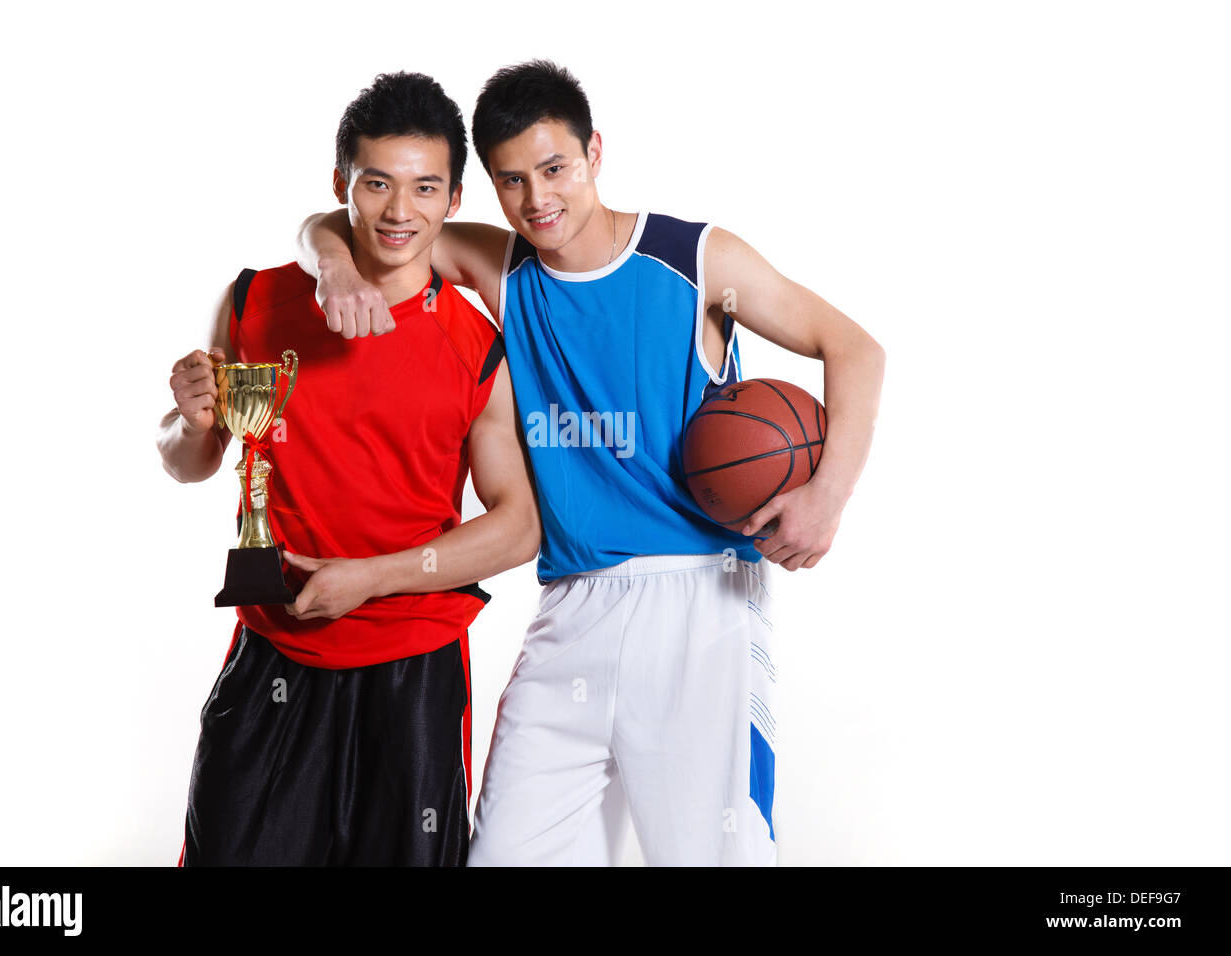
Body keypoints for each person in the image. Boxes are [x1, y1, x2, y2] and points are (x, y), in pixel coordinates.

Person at [295, 60, 885, 866]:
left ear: (593, 152)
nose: (538, 199)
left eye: (554, 169)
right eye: (512, 181)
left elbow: (853, 346)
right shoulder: (504, 268)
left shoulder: (695, 259)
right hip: (570, 604)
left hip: (699, 597)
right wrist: (331, 266)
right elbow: (350, 227)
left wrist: (827, 496)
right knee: (501, 854)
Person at [156, 71, 540, 866]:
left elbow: (518, 525)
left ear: (453, 198)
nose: (401, 212)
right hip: (275, 645)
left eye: (424, 187)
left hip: (412, 664)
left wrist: (375, 577)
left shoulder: (479, 345)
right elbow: (189, 462)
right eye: (377, 184)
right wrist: (192, 421)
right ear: (342, 186)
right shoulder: (254, 299)